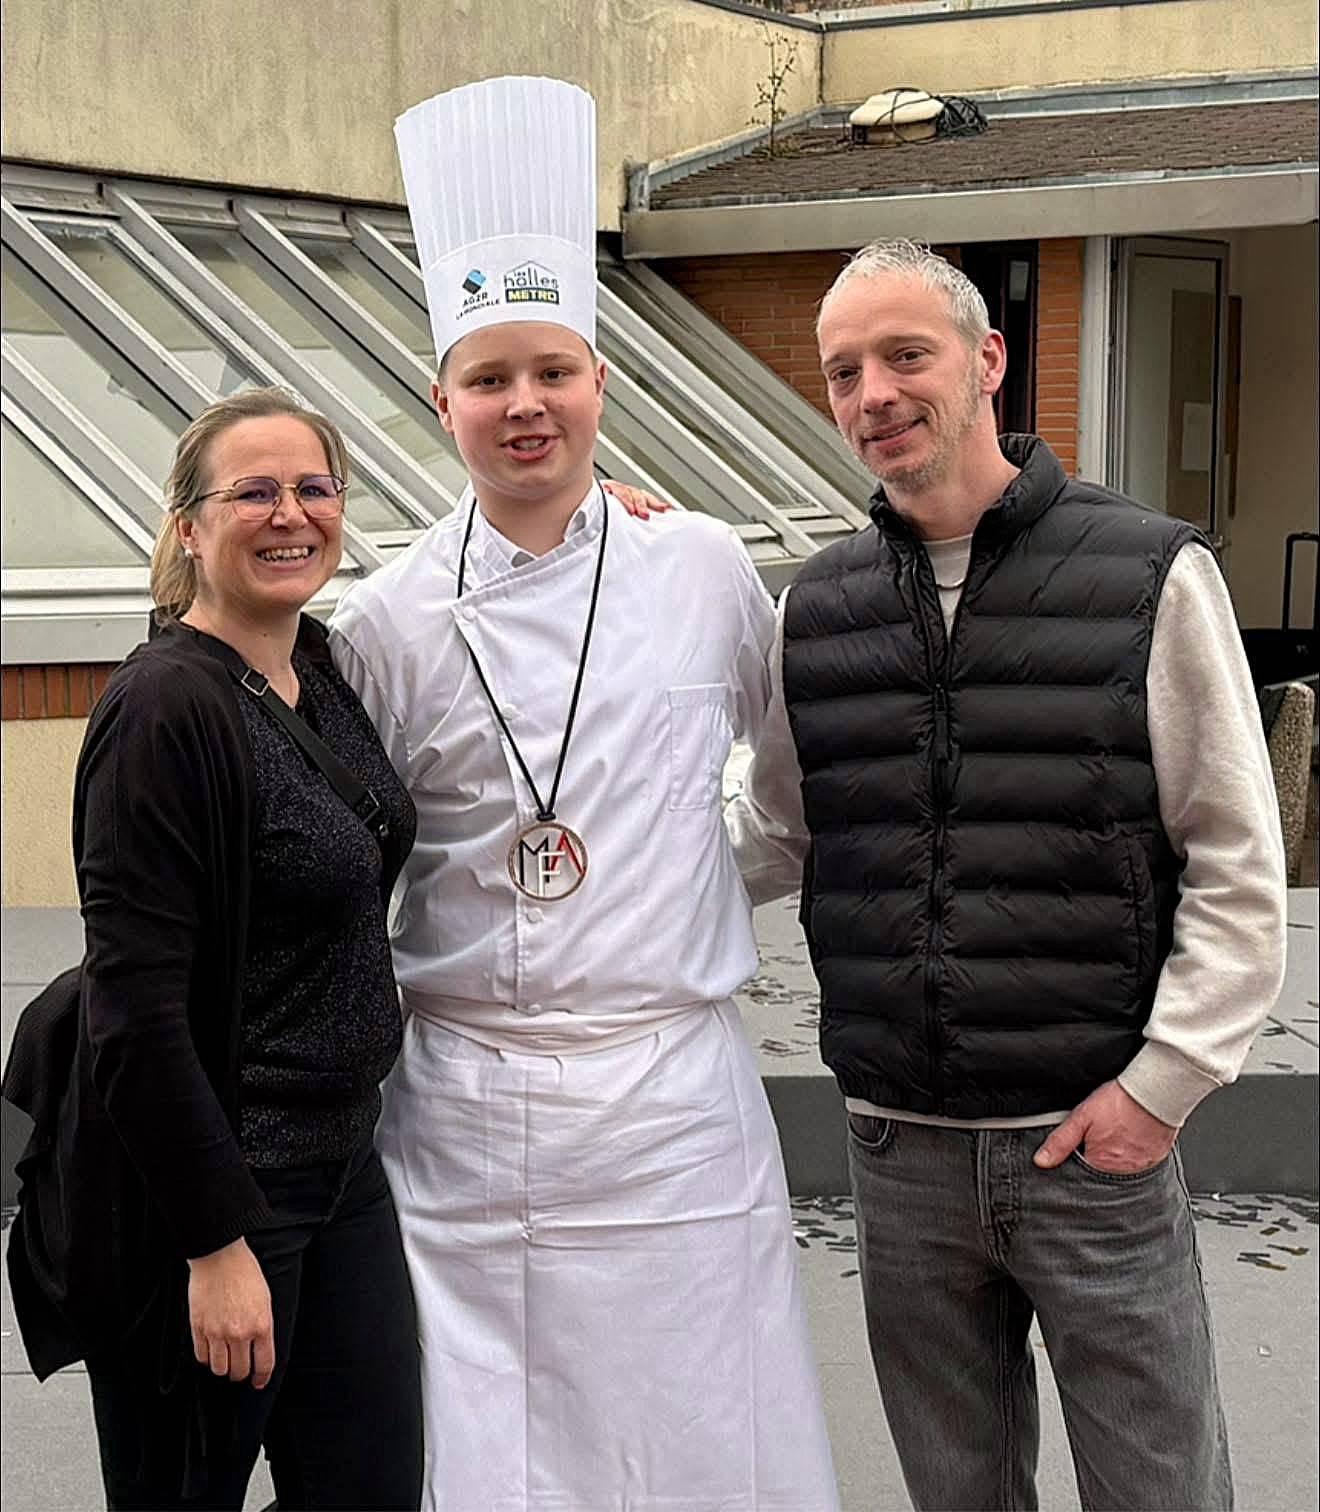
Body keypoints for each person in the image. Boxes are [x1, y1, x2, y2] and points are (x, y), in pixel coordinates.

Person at [328, 76, 839, 1512]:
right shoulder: (384, 624)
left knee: (705, 1442)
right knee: (482, 1452)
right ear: (441, 400)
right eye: (489, 379)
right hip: (460, 1109)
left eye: (552, 370)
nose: (525, 405)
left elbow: (794, 791)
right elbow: (347, 865)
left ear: (601, 381)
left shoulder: (704, 571)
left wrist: (691, 878)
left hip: (672, 1106)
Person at [727, 238, 1287, 1511]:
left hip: (1092, 1146)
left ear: (987, 361)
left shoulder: (1149, 574)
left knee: (1159, 1491)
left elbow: (1236, 856)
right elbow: (770, 835)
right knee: (958, 1494)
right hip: (897, 1152)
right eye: (844, 371)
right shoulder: (815, 609)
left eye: (904, 356)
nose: (874, 394)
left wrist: (1162, 1088)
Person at [4, 388, 424, 1510]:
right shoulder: (163, 711)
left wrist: (609, 515)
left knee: (370, 1491)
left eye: (314, 488)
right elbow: (132, 1014)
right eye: (254, 492)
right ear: (189, 526)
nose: (291, 514)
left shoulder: (316, 668)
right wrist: (215, 1244)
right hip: (220, 1198)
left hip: (343, 1173)